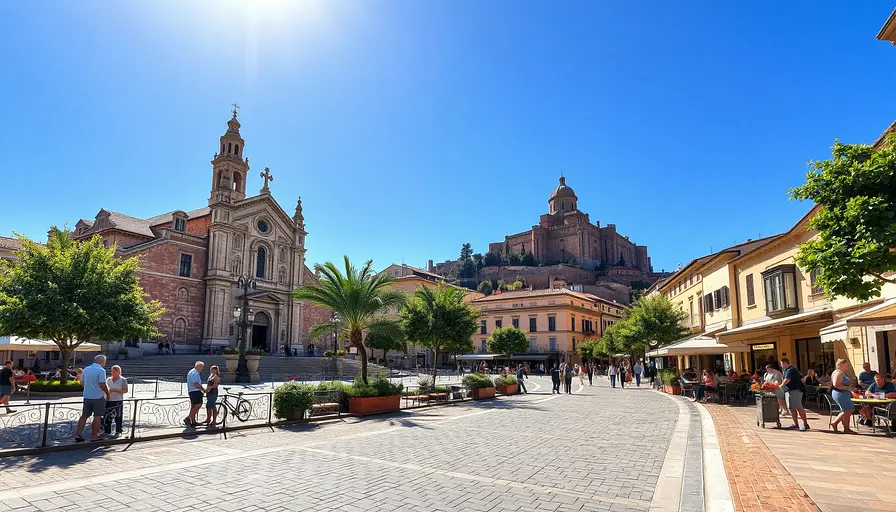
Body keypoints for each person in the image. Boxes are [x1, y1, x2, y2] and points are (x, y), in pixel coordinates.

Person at [74, 355, 109, 442]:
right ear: (102, 361)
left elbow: (81, 382)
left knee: (84, 415)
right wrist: (107, 394)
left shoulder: (86, 369)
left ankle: (78, 433)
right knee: (97, 416)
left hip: (87, 396)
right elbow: (102, 384)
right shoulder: (101, 370)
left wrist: (88, 388)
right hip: (98, 396)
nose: (104, 364)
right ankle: (94, 436)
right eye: (104, 362)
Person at [780, 358, 809, 431]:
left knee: (798, 407)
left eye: (781, 363)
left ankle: (805, 424)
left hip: (795, 391)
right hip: (789, 391)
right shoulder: (788, 370)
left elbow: (787, 380)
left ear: (785, 363)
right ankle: (795, 424)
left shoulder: (790, 369)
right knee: (791, 408)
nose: (781, 365)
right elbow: (802, 378)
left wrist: (781, 385)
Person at [829, 359, 857, 433]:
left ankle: (836, 423)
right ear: (841, 364)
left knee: (848, 410)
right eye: (846, 364)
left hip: (842, 393)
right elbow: (836, 384)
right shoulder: (839, 373)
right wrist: (848, 388)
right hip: (840, 393)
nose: (847, 365)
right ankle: (846, 428)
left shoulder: (840, 372)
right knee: (847, 410)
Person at [104, 365, 128, 437]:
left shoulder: (123, 380)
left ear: (118, 372)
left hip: (118, 400)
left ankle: (118, 431)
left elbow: (125, 390)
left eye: (114, 371)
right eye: (112, 371)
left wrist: (115, 390)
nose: (113, 373)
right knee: (107, 416)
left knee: (118, 416)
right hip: (108, 400)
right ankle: (107, 431)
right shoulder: (108, 379)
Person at [184, 361, 206, 428]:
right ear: (198, 366)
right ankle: (188, 418)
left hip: (192, 391)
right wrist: (203, 389)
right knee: (198, 404)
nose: (203, 368)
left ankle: (193, 422)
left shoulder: (193, 372)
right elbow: (195, 384)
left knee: (194, 406)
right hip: (195, 391)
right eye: (202, 367)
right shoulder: (195, 373)